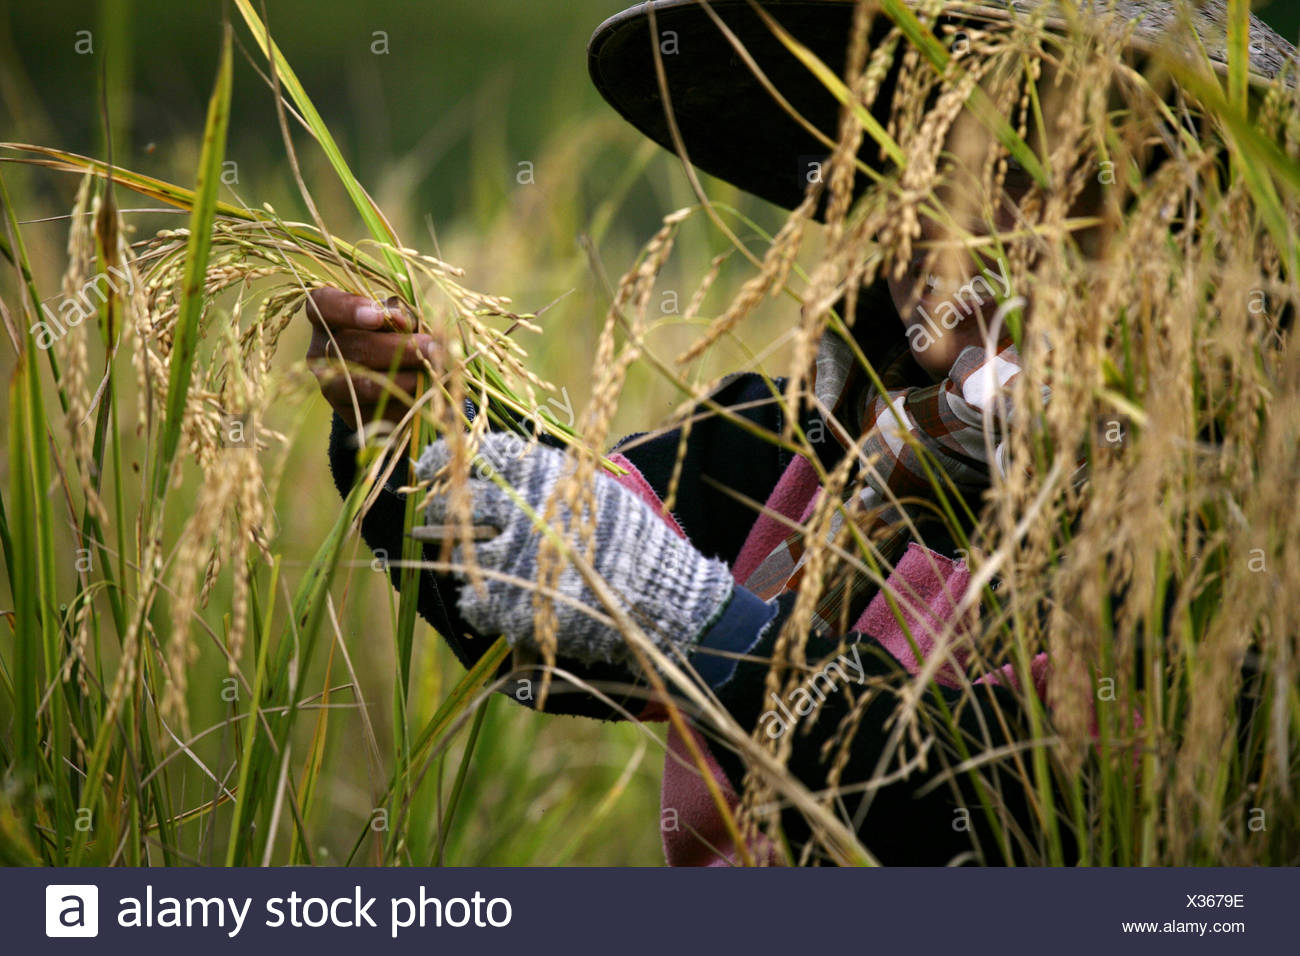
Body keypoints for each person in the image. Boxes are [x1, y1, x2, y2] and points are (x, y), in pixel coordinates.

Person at [303, 1, 1295, 865]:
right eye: (908, 187)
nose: (937, 255)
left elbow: (975, 818)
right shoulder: (797, 443)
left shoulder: (1242, 527)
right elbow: (532, 603)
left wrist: (704, 624)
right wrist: (413, 426)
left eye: (1017, 183)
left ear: (1178, 214)